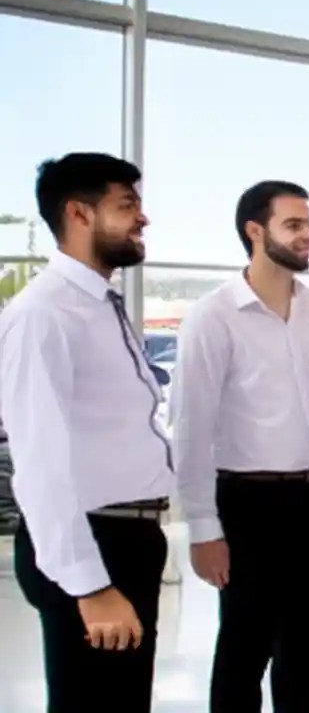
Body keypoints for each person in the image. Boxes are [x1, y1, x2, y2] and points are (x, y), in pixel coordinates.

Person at [169, 180, 309, 713]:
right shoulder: (213, 315)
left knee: (304, 649)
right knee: (243, 650)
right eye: (294, 225)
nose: (308, 236)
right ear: (256, 232)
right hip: (248, 504)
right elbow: (191, 427)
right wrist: (203, 528)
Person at [0, 153, 172, 712]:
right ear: (78, 213)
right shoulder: (43, 313)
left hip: (129, 536)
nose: (142, 219)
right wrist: (90, 586)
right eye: (127, 207)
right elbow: (39, 462)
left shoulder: (98, 304)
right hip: (92, 541)